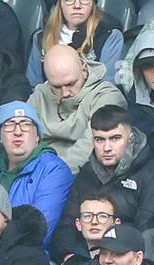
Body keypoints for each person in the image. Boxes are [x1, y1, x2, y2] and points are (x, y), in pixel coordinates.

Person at [52, 107, 154, 265]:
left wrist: (113, 259)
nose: (106, 148)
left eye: (115, 138)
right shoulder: (86, 174)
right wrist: (69, 256)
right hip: (84, 260)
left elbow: (146, 227)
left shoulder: (152, 172)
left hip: (127, 263)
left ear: (131, 138)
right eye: (100, 140)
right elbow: (67, 224)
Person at [0, 100, 75, 243]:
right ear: (0, 137)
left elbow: (39, 230)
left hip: (25, 256)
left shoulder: (53, 170)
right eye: (9, 124)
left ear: (37, 137)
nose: (18, 132)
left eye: (26, 124)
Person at [28, 43, 127, 174]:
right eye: (57, 87)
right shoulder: (40, 94)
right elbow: (22, 137)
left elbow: (90, 146)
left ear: (84, 70)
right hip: (36, 169)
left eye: (70, 84)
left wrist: (53, 175)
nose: (65, 93)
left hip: (81, 174)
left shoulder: (107, 96)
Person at [24, 0, 125, 83]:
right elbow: (33, 86)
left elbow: (109, 86)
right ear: (59, 4)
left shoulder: (109, 35)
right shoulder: (41, 38)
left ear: (93, 4)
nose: (77, 6)